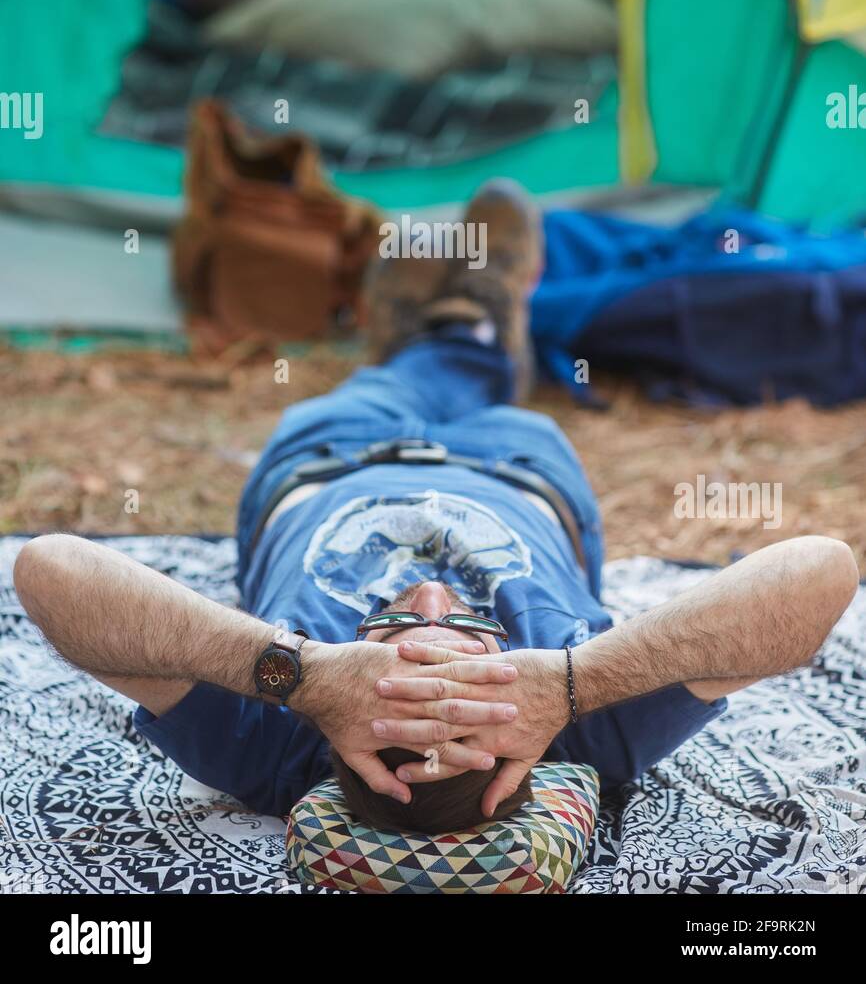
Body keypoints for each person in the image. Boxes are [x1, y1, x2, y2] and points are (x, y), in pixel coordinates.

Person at [14, 184, 859, 835]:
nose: (427, 596)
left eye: (389, 647)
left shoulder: (273, 742)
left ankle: (432, 331)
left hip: (333, 452)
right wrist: (572, 685)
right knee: (483, 371)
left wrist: (302, 676)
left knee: (395, 374)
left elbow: (49, 569)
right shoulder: (576, 731)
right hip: (518, 463)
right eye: (461, 641)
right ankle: (481, 322)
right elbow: (821, 571)